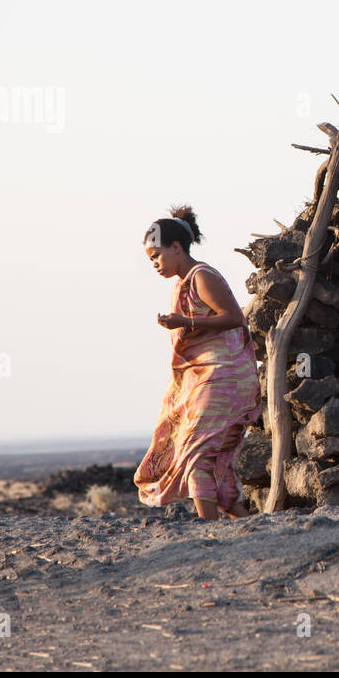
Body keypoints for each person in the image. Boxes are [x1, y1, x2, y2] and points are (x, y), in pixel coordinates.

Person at [136, 205, 262, 520]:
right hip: (207, 379)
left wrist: (185, 321)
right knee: (215, 460)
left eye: (157, 255)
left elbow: (233, 317)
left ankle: (209, 529)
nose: (154, 263)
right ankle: (247, 527)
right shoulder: (181, 285)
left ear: (176, 248)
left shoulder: (201, 277)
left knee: (198, 455)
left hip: (223, 378)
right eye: (150, 259)